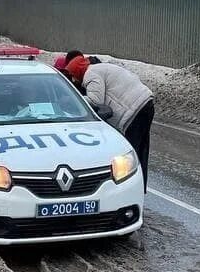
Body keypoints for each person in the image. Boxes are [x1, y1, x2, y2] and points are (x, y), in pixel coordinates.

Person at [64, 54, 155, 185]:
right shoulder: (100, 68)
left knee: (131, 152)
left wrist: (76, 100)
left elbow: (96, 100)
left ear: (78, 71)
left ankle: (131, 185)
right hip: (145, 102)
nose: (73, 79)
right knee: (141, 149)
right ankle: (140, 186)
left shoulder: (91, 73)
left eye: (73, 75)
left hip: (136, 109)